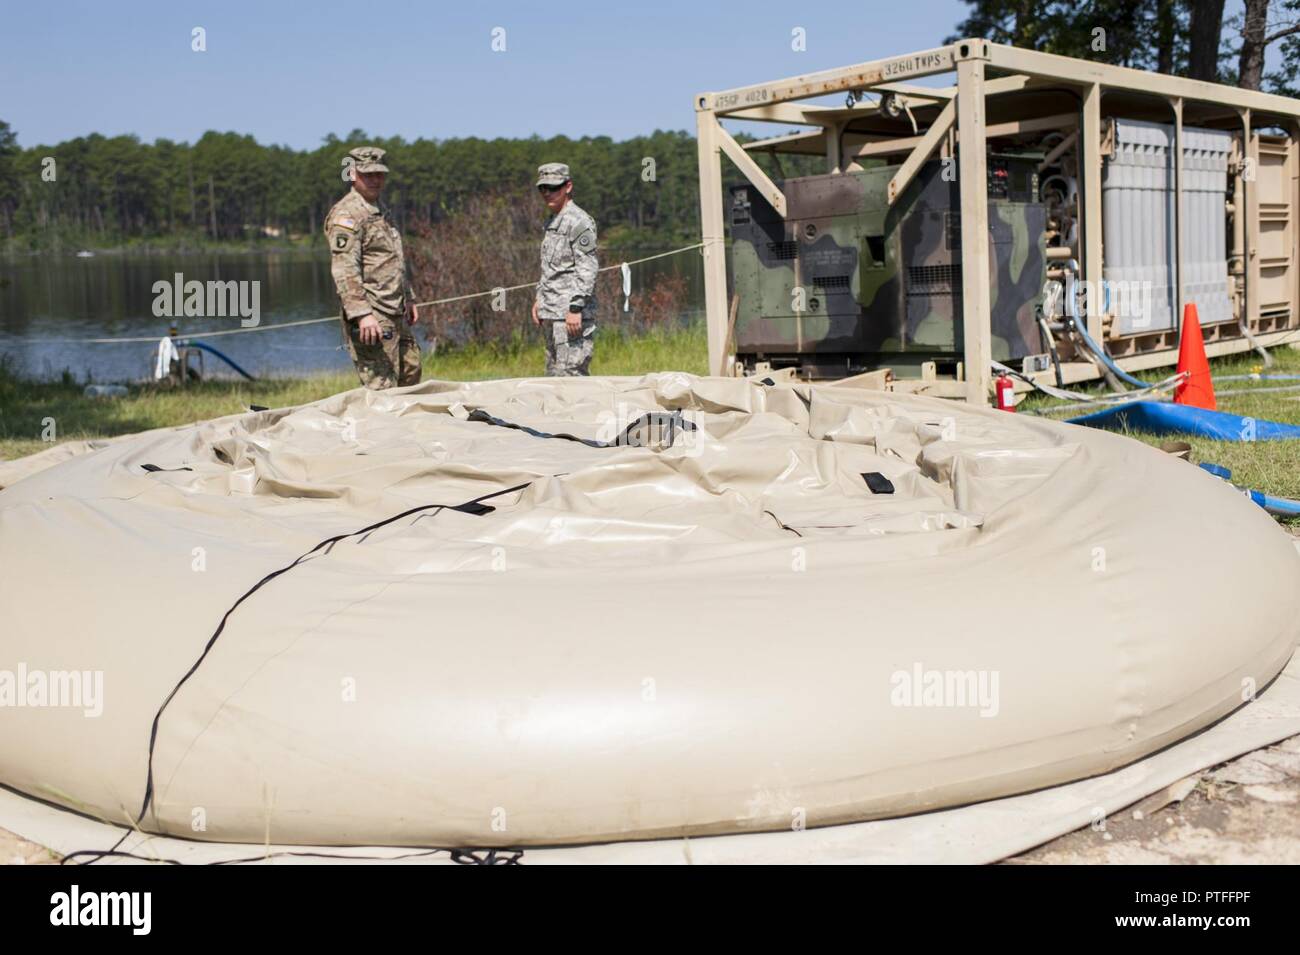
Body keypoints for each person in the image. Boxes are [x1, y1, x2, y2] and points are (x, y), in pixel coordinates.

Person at [324, 146, 421, 390]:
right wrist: (362, 314)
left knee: (410, 373)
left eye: (379, 174)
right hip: (373, 314)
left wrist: (408, 298)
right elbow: (345, 269)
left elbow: (392, 259)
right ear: (352, 175)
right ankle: (382, 429)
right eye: (368, 175)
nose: (375, 180)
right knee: (382, 388)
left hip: (395, 309)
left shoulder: (380, 210)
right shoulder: (347, 215)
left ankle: (404, 429)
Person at [531, 163, 598, 376]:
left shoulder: (579, 222)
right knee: (553, 378)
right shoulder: (552, 221)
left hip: (571, 316)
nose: (547, 193)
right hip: (552, 312)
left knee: (572, 377)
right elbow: (552, 268)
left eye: (554, 187)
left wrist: (576, 308)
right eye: (543, 188)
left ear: (567, 186)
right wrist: (540, 299)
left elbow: (587, 267)